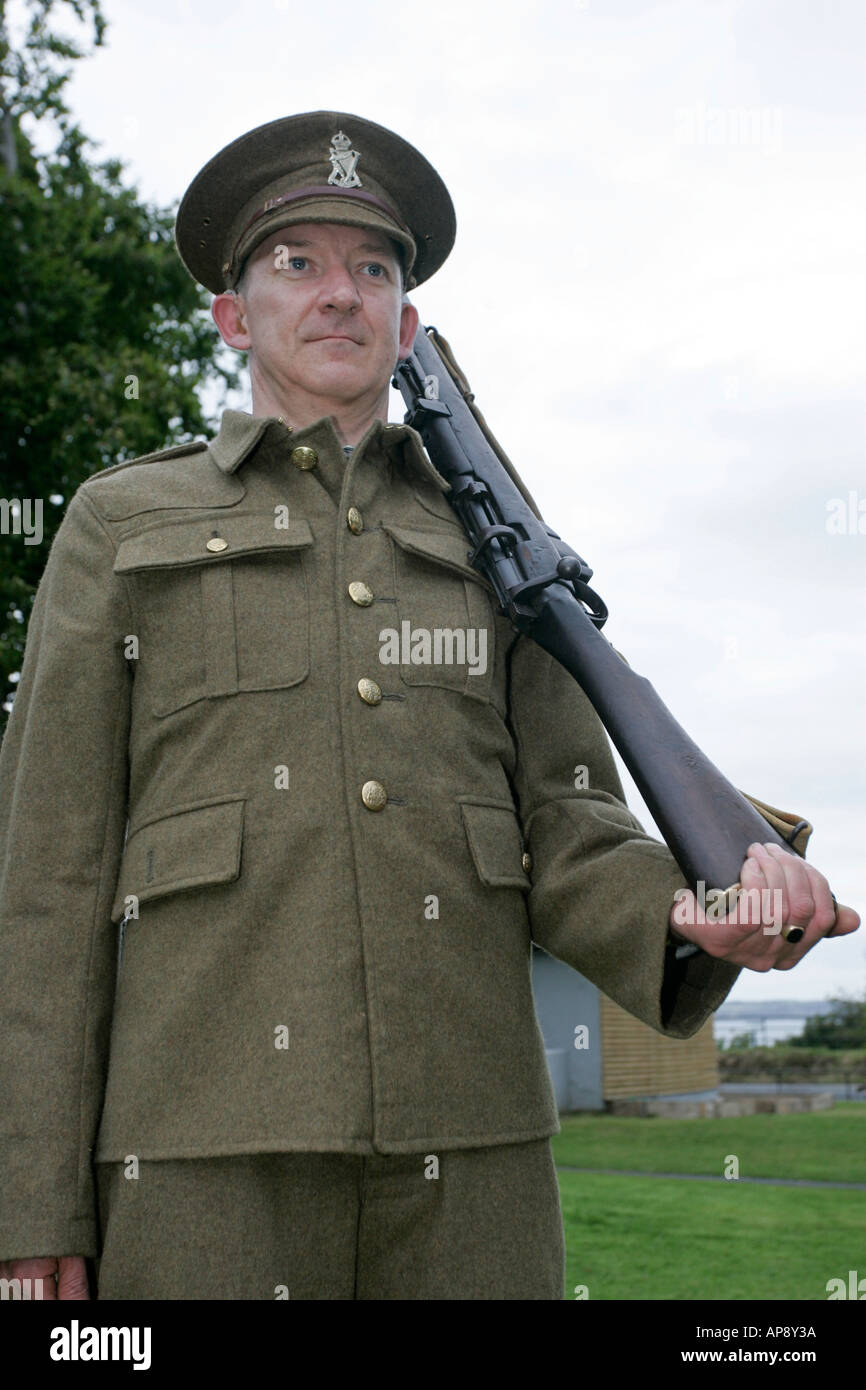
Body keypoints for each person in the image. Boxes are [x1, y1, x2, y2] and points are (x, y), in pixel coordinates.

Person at [0, 110, 858, 1302]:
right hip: (200, 1158)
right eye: (296, 262)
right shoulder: (117, 527)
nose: (338, 293)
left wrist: (694, 903)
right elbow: (44, 885)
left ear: (405, 322)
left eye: (372, 266)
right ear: (231, 315)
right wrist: (33, 1206)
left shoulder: (505, 551)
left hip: (475, 1163)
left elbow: (567, 822)